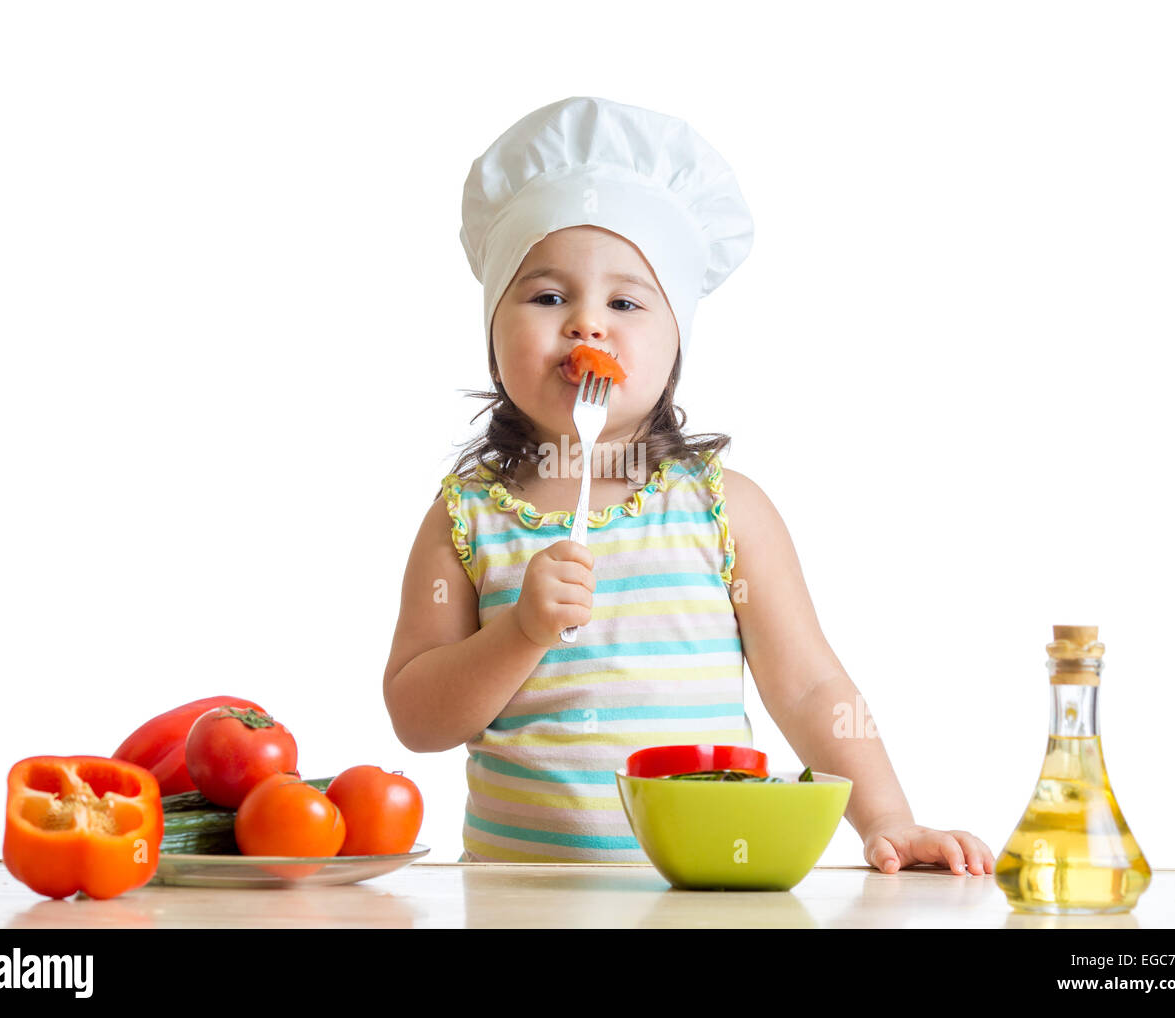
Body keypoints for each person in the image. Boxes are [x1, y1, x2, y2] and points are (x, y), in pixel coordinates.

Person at [384, 96, 994, 874]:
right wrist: (519, 635)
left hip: (703, 893)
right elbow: (417, 716)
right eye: (546, 297)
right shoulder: (463, 519)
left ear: (676, 346)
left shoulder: (724, 509)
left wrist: (888, 818)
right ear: (491, 331)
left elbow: (809, 688)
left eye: (626, 302)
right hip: (518, 898)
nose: (587, 325)